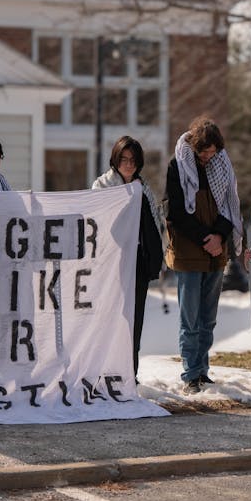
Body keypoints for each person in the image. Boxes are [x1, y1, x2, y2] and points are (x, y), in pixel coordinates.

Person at [164, 116, 243, 393]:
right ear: (195, 147)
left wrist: (219, 236)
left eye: (213, 152)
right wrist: (204, 238)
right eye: (204, 152)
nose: (209, 157)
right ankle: (190, 374)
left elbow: (228, 206)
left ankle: (203, 370)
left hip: (215, 252)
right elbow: (174, 213)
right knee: (190, 319)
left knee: (208, 318)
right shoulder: (177, 166)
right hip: (188, 252)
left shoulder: (222, 166)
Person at [92, 136, 165, 379]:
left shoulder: (143, 188)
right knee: (109, 321)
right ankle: (104, 374)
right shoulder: (101, 187)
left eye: (133, 160)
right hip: (110, 266)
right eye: (123, 159)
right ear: (115, 159)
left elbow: (154, 225)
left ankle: (129, 375)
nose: (128, 164)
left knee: (134, 322)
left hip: (137, 265)